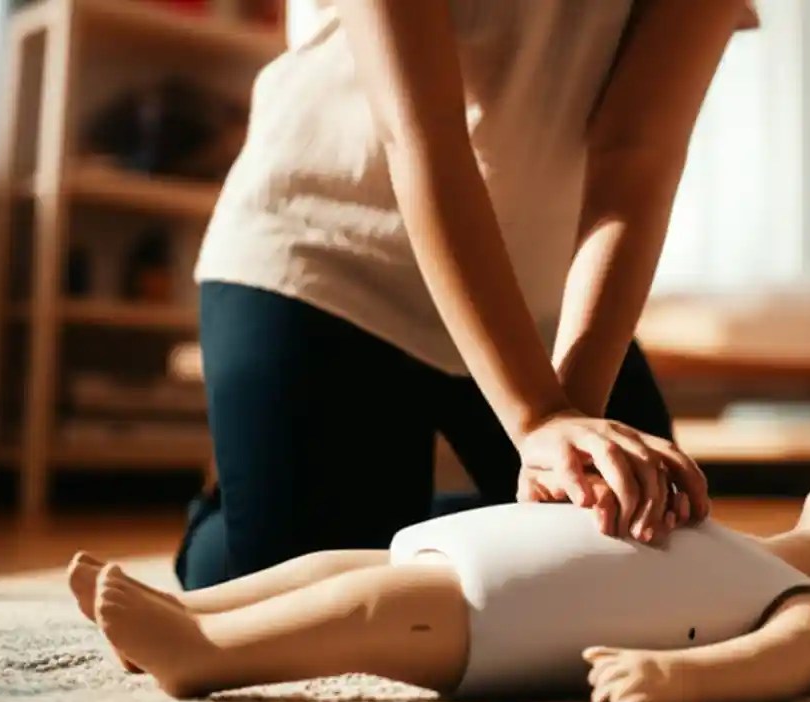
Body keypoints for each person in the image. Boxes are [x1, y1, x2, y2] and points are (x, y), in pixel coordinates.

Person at [178, 0, 761, 589]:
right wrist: (540, 416)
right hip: (329, 263)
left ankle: (413, 527)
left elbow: (637, 153)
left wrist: (573, 430)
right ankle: (228, 522)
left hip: (541, 303)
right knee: (311, 596)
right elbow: (421, 132)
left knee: (643, 568)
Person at [70, 472, 810, 702]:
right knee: (333, 568)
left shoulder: (803, 601)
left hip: (500, 616)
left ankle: (205, 658)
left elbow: (782, 665)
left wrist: (674, 680)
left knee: (366, 616)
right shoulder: (743, 544)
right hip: (482, 553)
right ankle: (190, 610)